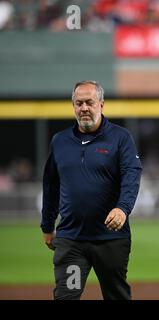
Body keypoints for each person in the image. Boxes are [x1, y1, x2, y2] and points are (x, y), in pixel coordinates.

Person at [40, 80, 142, 300]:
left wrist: (123, 209)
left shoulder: (120, 138)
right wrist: (47, 225)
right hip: (71, 240)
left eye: (89, 102)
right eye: (79, 103)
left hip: (111, 239)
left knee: (116, 296)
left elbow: (131, 176)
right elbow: (50, 185)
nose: (84, 108)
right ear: (73, 106)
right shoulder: (60, 141)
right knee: (66, 295)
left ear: (101, 104)